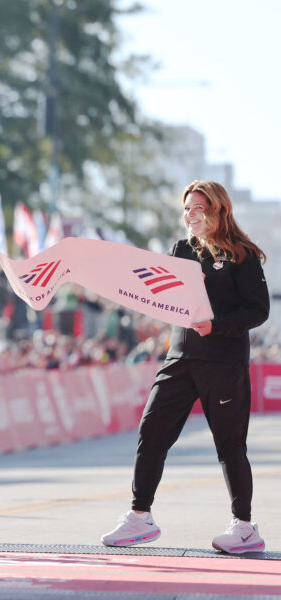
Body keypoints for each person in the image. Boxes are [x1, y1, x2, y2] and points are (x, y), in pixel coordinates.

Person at [101, 180, 269, 554]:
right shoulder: (181, 249)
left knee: (229, 444)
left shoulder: (242, 255)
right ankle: (140, 516)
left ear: (219, 210)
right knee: (151, 431)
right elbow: (163, 294)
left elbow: (259, 310)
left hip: (223, 361)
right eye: (186, 208)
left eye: (198, 208)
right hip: (179, 358)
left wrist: (216, 325)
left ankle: (244, 527)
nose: (190, 215)